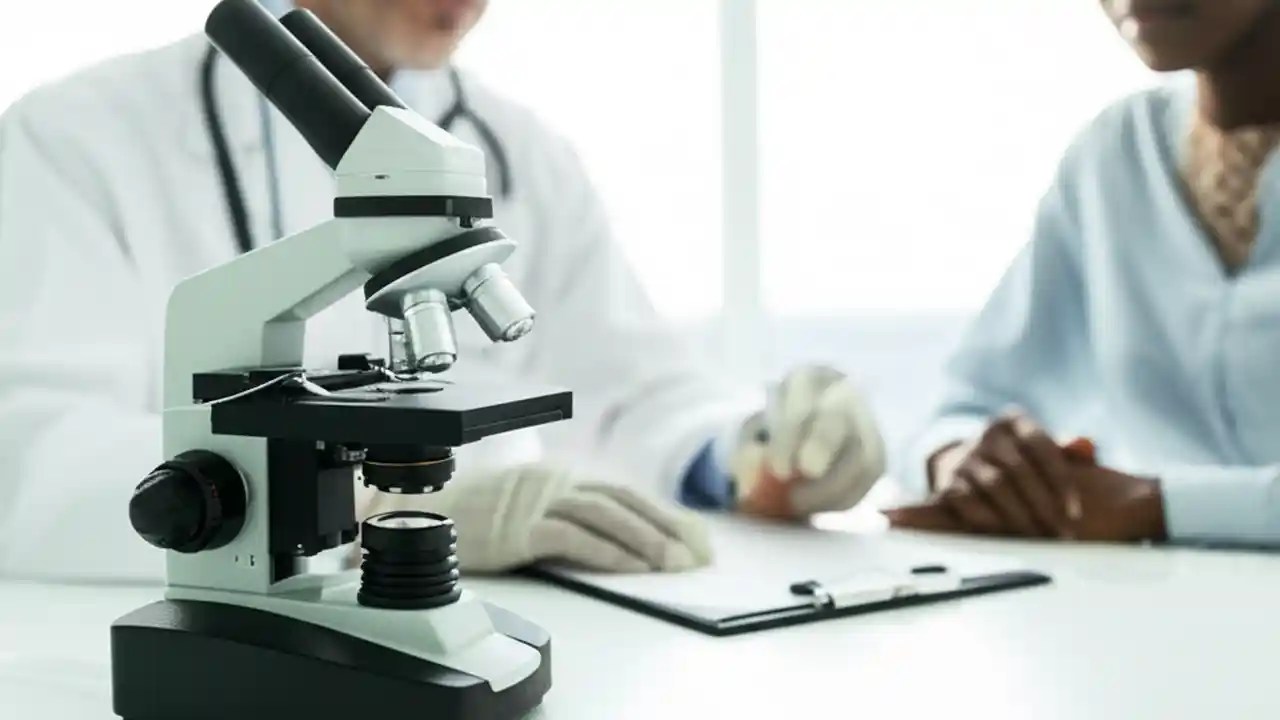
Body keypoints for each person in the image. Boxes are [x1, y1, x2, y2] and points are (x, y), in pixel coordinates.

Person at [0, 0, 886, 579]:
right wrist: (361, 508)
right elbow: (34, 464)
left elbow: (632, 389)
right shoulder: (78, 139)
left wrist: (752, 457)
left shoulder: (514, 147)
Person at [893, 0, 1280, 546]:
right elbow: (962, 408)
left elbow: (1140, 505)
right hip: (1152, 595)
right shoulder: (1115, 153)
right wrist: (968, 463)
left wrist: (1157, 505)